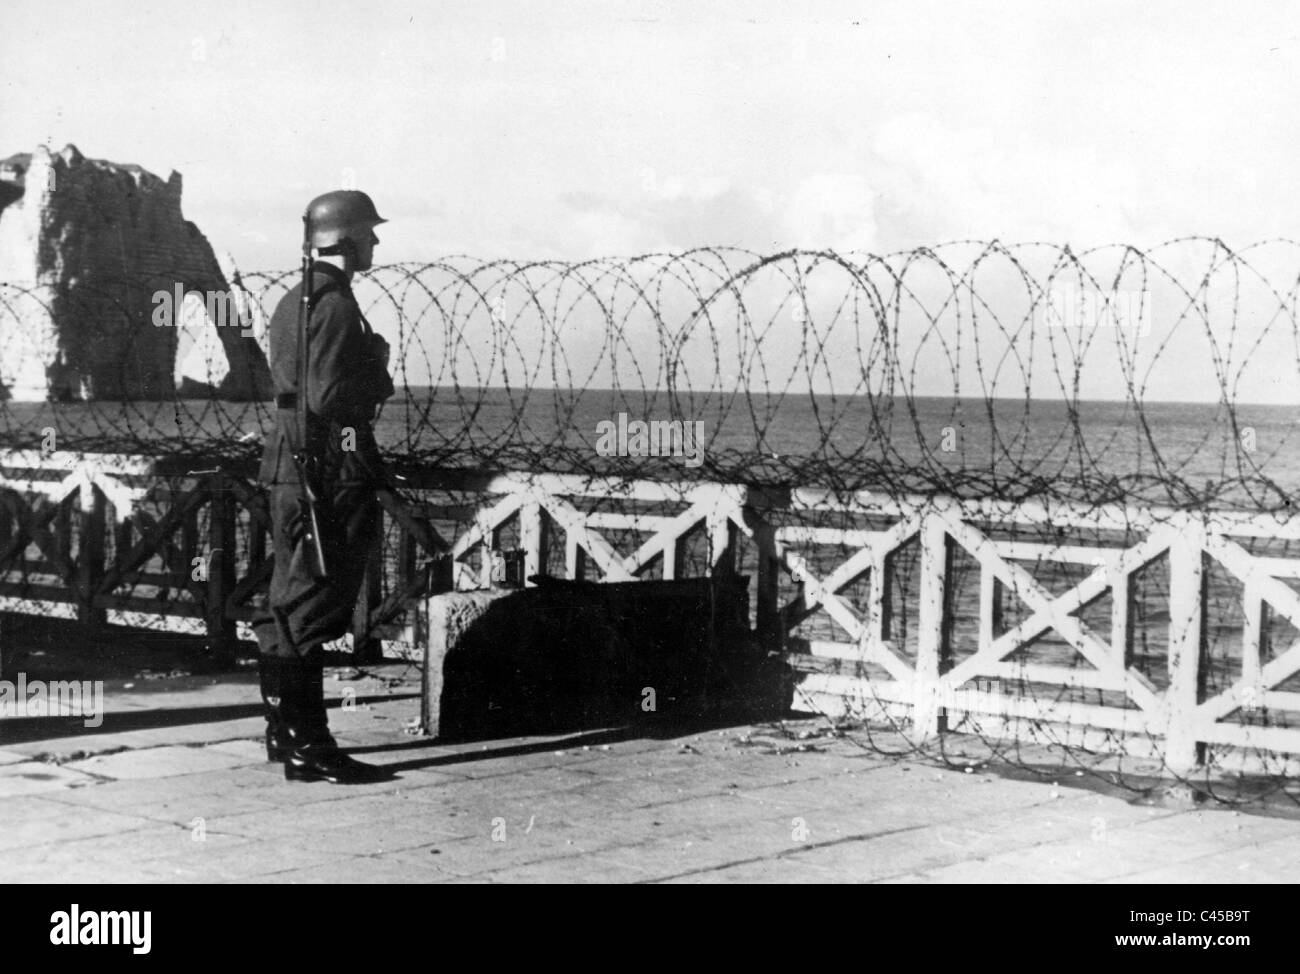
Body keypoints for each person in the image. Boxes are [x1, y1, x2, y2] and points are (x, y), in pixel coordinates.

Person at [251, 190, 395, 783]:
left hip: (290, 458)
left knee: (291, 597)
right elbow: (333, 397)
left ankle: (286, 735)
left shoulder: (294, 300)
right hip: (326, 465)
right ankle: (310, 745)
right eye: (369, 233)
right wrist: (376, 376)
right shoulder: (334, 305)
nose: (376, 244)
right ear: (346, 239)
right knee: (317, 595)